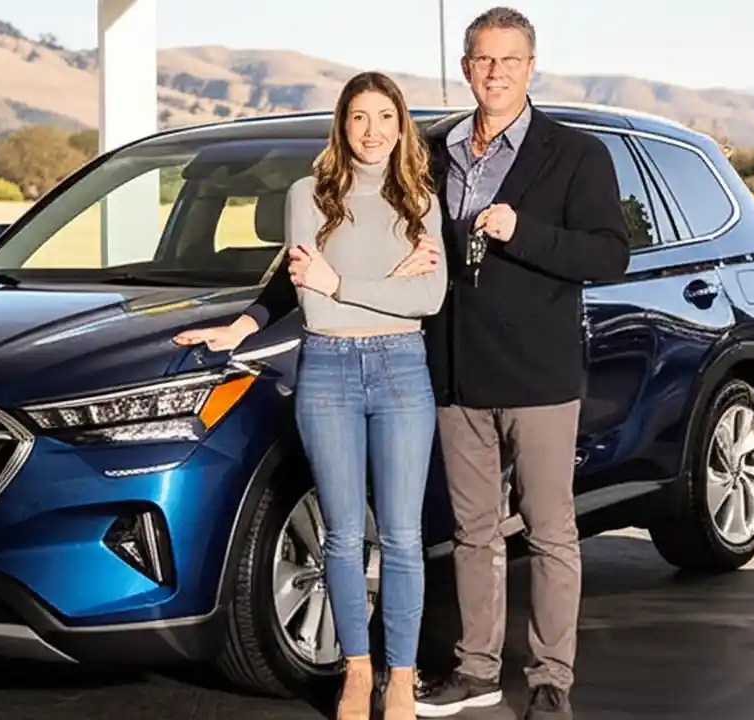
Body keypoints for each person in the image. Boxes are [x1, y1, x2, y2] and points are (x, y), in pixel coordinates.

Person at [174, 71, 449, 720]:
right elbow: (316, 310)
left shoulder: (422, 203)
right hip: (326, 370)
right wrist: (378, 281)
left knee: (404, 537)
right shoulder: (309, 195)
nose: (373, 131)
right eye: (359, 117)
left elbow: (429, 300)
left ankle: (401, 676)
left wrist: (337, 275)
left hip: (403, 370)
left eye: (386, 116)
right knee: (343, 535)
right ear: (341, 124)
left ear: (402, 125)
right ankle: (357, 670)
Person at [402, 7, 630, 720]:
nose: (493, 72)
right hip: (457, 371)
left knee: (550, 532)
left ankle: (551, 679)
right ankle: (475, 671)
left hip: (538, 375)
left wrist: (522, 230)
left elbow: (607, 255)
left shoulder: (576, 154)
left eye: (508, 60)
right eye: (481, 60)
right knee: (472, 531)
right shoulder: (434, 151)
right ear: (466, 67)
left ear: (532, 68)